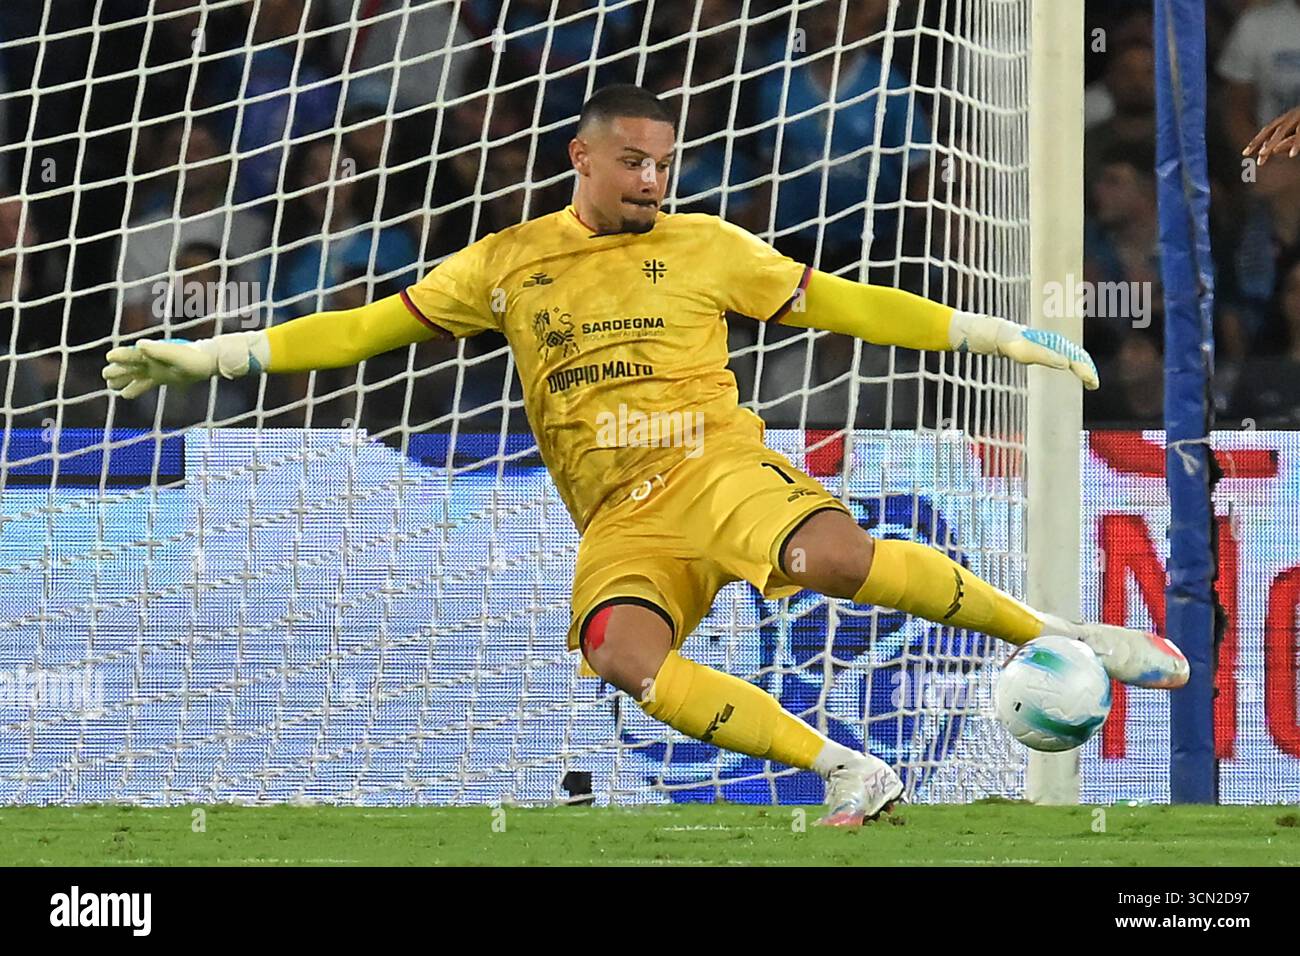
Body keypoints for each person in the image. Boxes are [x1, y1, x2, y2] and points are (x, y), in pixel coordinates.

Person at [101, 85, 1189, 826]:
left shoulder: (708, 247)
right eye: (632, 163)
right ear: (582, 157)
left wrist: (992, 334)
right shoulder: (509, 261)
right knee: (622, 656)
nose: (650, 181)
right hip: (618, 514)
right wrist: (215, 352)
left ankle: (1063, 629)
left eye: (663, 165)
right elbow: (362, 328)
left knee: (837, 559)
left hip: (714, 463)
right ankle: (845, 768)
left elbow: (846, 304)